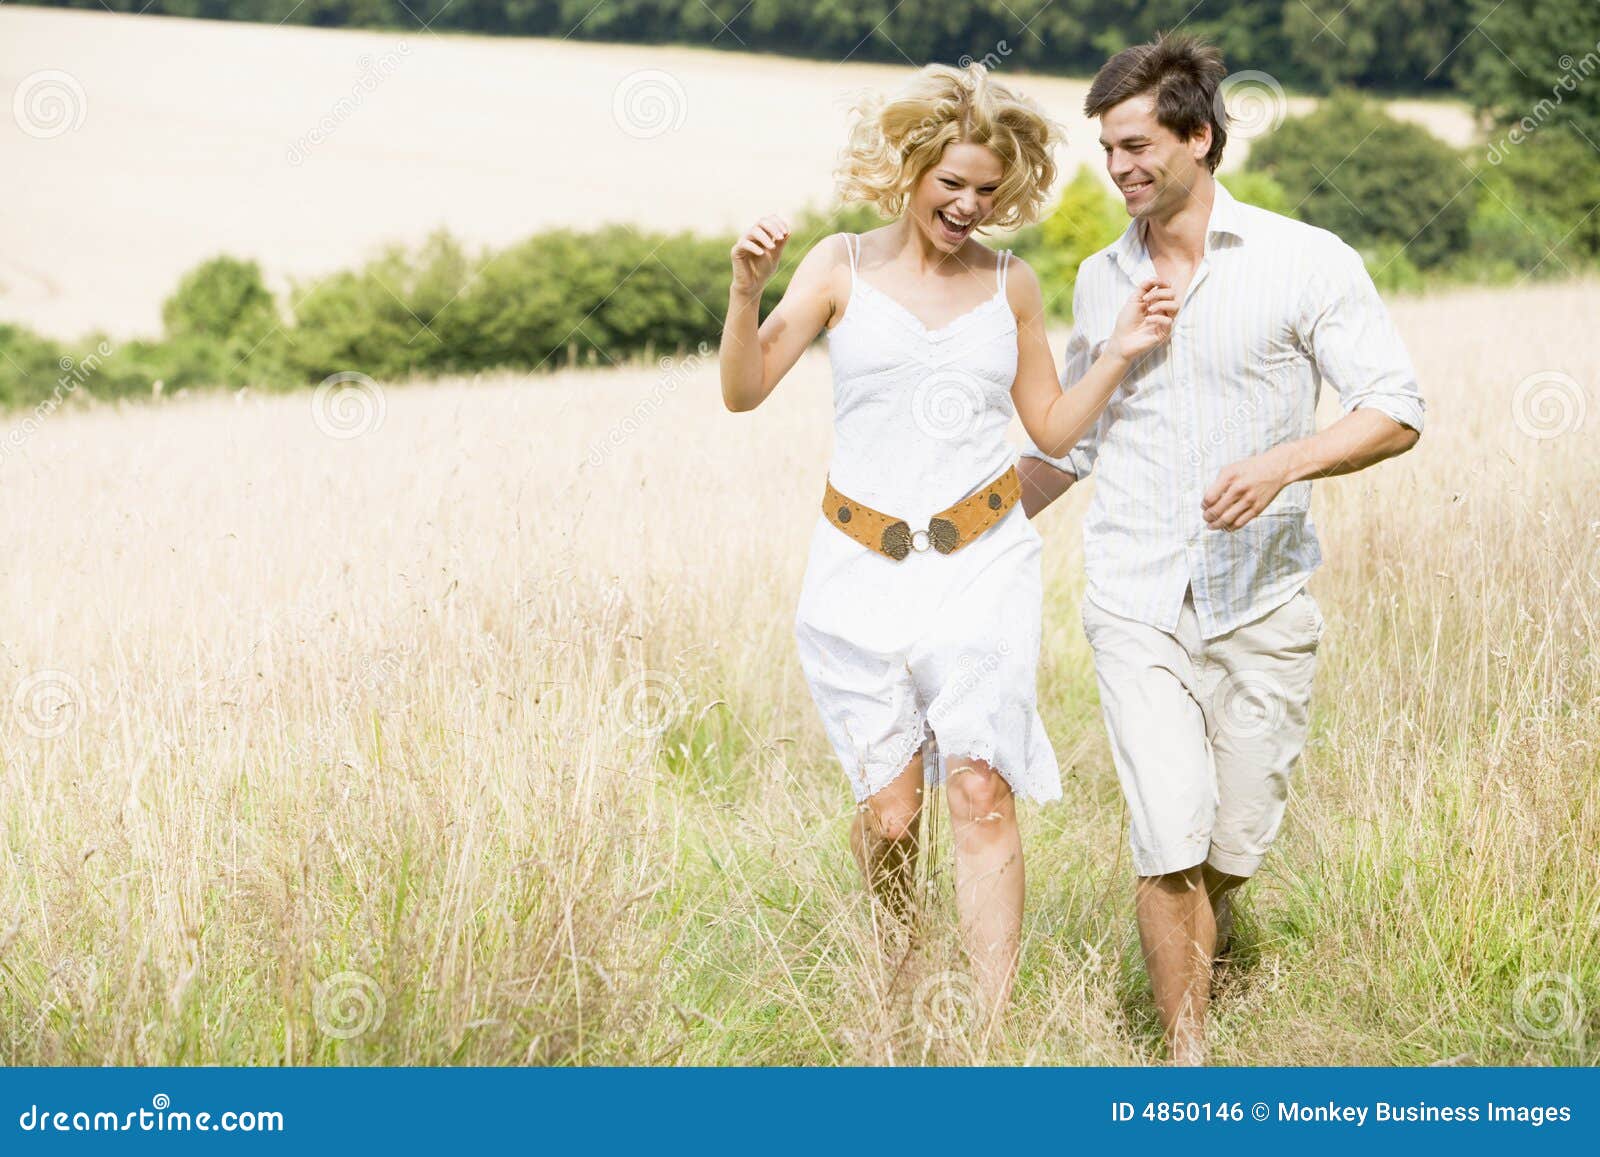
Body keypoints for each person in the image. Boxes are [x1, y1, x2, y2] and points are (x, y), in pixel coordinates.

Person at [718, 62, 1176, 1017]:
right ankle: (896, 969)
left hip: (984, 561)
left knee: (979, 788)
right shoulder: (839, 265)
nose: (969, 205)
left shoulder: (1014, 284)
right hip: (858, 565)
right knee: (891, 815)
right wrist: (744, 289)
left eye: (987, 189)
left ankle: (990, 1024)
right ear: (912, 171)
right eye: (952, 184)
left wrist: (1123, 353)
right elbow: (744, 388)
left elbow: (1050, 429)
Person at [1017, 35, 1424, 1063]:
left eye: (1139, 145)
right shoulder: (1097, 280)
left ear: (1200, 136)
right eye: (1108, 150)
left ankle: (1214, 930)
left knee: (1230, 847)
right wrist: (955, 533)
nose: (1120, 169)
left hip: (1263, 599)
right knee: (1168, 837)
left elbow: (1395, 410)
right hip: (1133, 597)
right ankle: (1187, 1067)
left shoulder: (1305, 259)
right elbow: (1076, 437)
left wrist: (1283, 462)